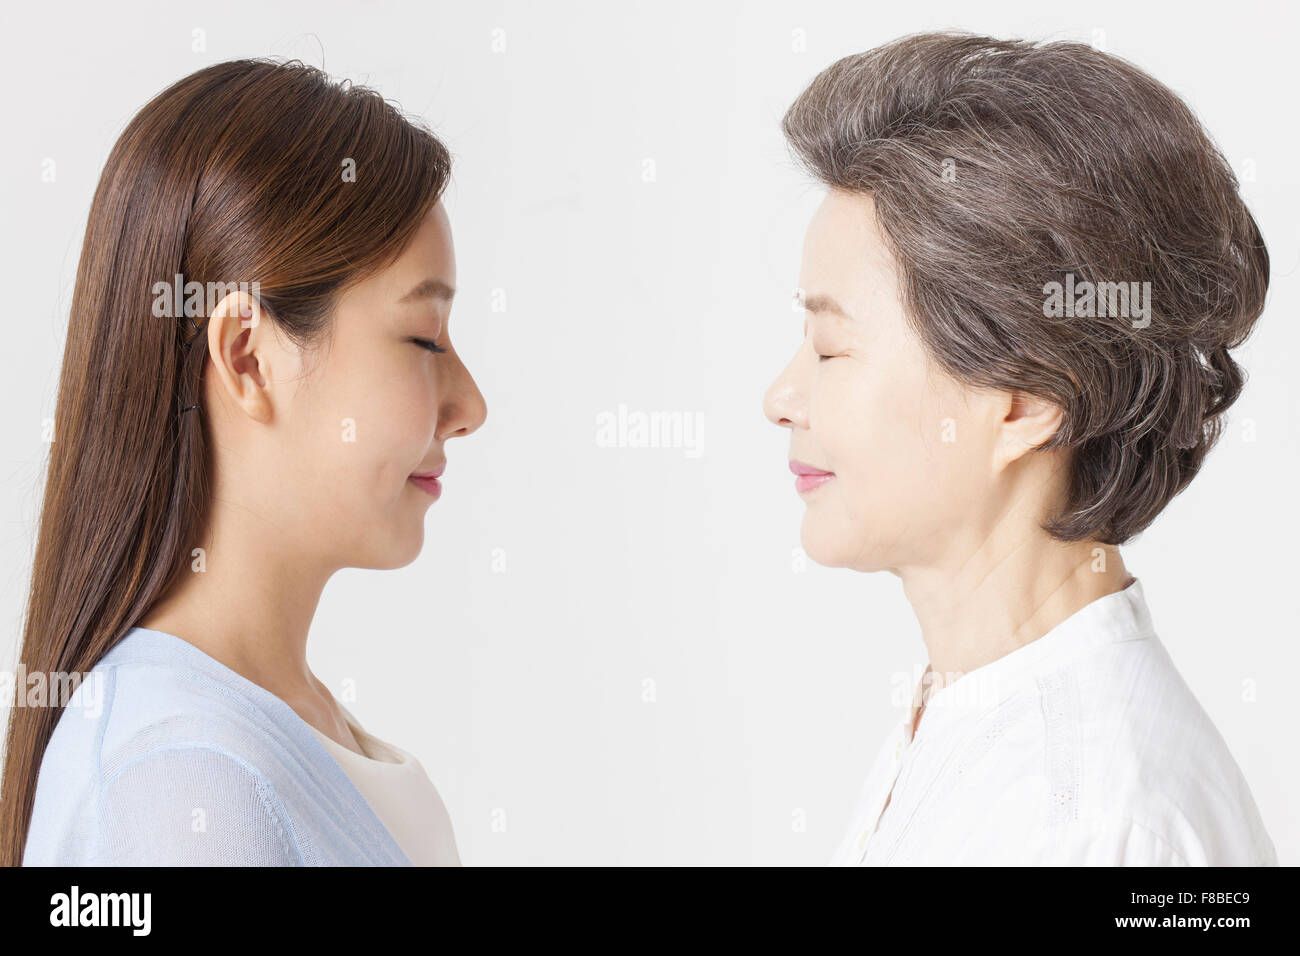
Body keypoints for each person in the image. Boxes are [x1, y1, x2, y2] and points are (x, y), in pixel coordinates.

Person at [764, 32, 1276, 865]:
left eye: (829, 348)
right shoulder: (971, 719)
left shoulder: (1098, 822)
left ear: (1027, 400)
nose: (781, 399)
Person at [4, 58, 486, 865]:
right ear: (249, 359)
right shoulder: (180, 782)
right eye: (423, 339)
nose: (469, 404)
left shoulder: (265, 735)